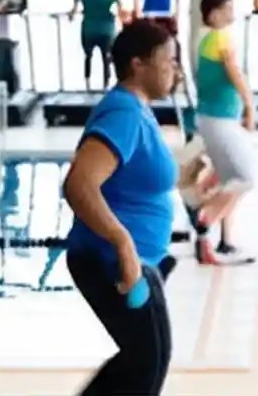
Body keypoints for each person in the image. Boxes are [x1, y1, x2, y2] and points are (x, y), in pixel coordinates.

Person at [62, 20, 181, 396]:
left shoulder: (138, 110)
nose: (174, 70)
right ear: (138, 64)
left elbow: (138, 180)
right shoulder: (125, 113)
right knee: (145, 366)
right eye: (168, 61)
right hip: (113, 261)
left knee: (142, 363)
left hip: (136, 258)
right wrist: (123, 243)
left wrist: (193, 177)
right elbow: (79, 184)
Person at [190, 0, 258, 266]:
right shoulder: (220, 38)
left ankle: (226, 240)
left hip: (212, 117)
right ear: (215, 13)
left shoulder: (204, 37)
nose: (232, 13)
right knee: (244, 178)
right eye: (228, 8)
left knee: (228, 177)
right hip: (220, 119)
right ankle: (205, 222)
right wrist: (250, 106)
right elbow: (235, 74)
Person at [71, 0, 125, 91]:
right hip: (106, 30)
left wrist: (73, 11)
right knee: (106, 57)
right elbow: (120, 8)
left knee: (88, 56)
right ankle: (106, 85)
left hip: (89, 29)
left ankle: (87, 83)